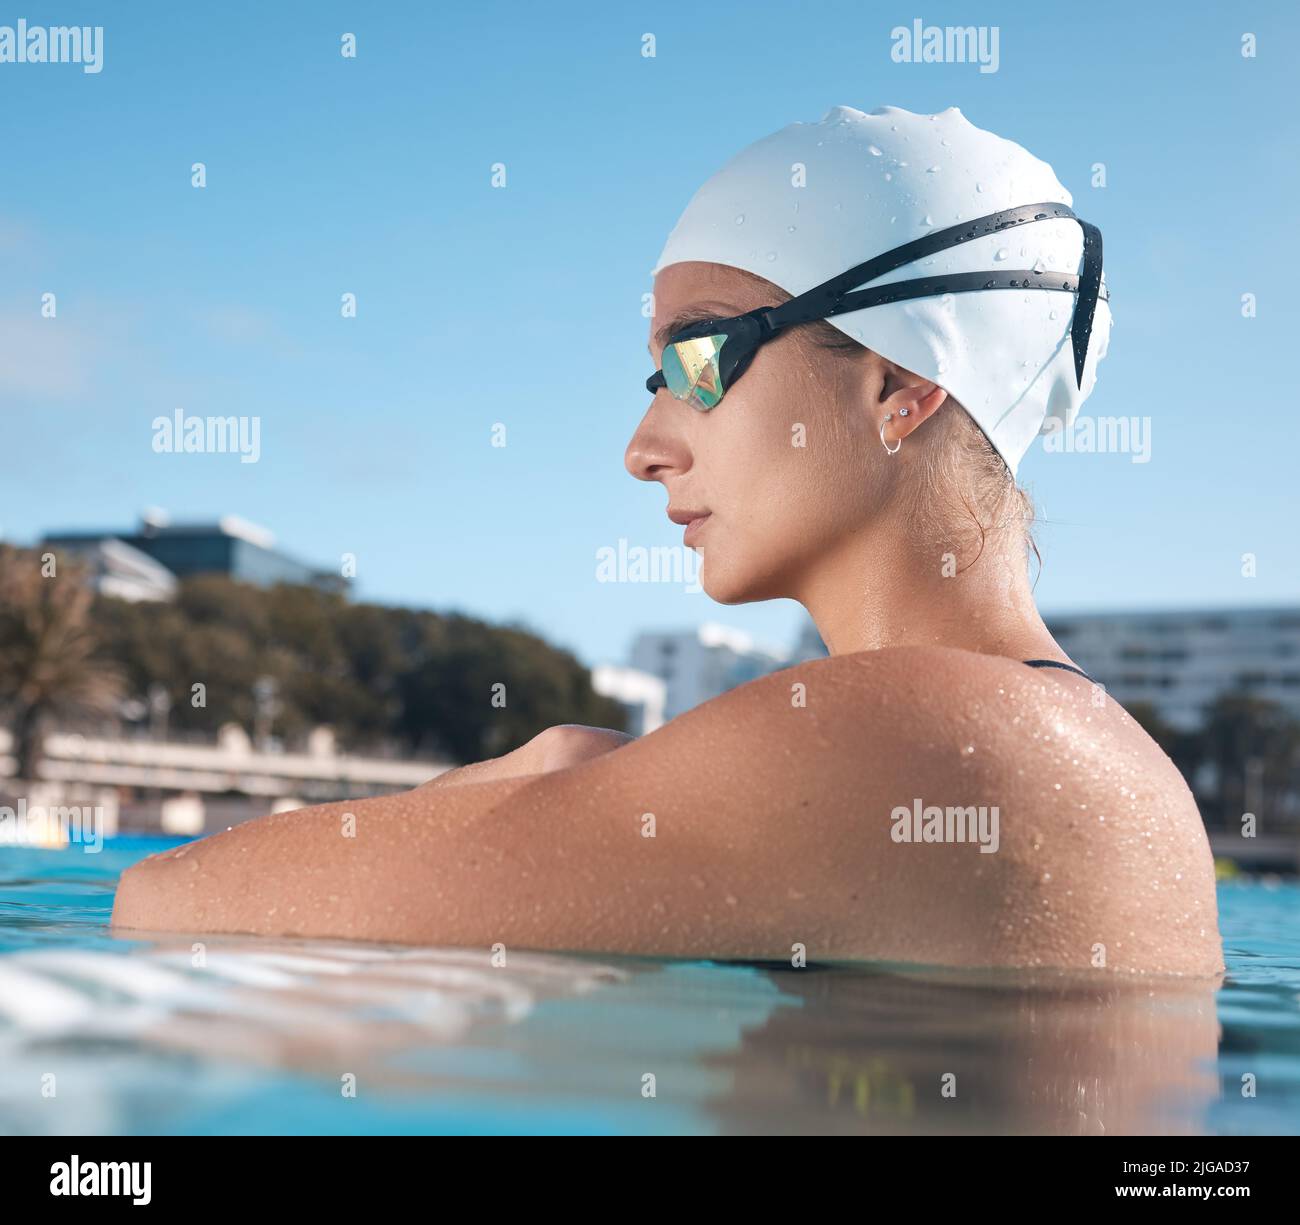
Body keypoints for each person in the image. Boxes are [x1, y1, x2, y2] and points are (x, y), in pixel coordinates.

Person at [112, 105, 1223, 975]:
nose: (644, 445)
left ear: (900, 385)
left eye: (698, 362)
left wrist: (543, 777)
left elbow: (159, 901)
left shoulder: (937, 737)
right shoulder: (1041, 730)